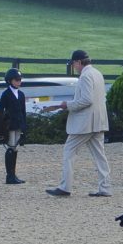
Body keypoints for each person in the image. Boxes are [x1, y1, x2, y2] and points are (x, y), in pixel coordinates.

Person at [46, 49, 110, 198]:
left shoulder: (85, 76)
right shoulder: (97, 73)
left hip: (85, 123)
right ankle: (105, 188)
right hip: (98, 121)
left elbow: (87, 100)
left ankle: (65, 187)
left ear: (79, 62)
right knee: (100, 156)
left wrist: (66, 105)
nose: (74, 66)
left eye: (74, 63)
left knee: (69, 151)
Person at [0, 68, 28, 185]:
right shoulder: (6, 94)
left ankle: (13, 174)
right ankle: (9, 176)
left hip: (18, 124)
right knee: (11, 148)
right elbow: (1, 111)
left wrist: (24, 127)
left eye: (20, 79)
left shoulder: (21, 94)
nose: (19, 82)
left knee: (15, 149)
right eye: (17, 80)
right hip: (10, 125)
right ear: (10, 81)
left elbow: (23, 112)